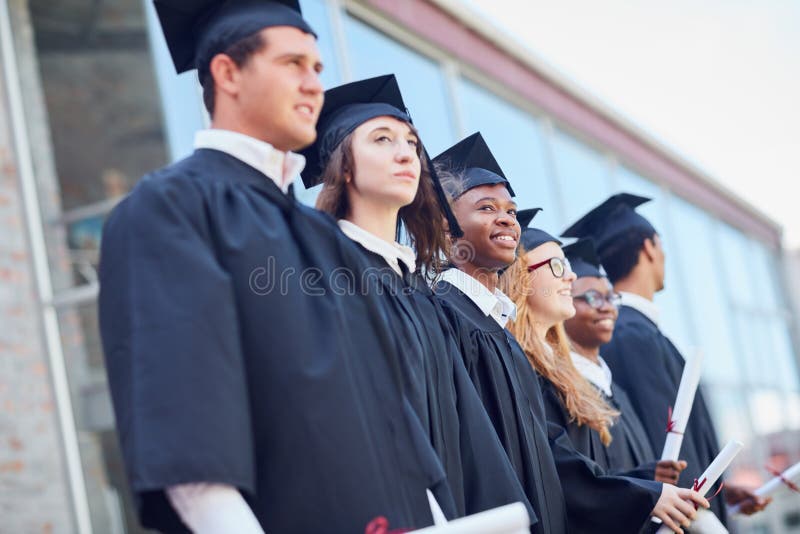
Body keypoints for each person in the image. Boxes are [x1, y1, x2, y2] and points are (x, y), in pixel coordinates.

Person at [98, 2, 457, 532]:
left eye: (317, 68)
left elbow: (393, 422)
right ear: (227, 73)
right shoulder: (172, 208)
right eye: (293, 64)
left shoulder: (324, 238)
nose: (314, 84)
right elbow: (189, 449)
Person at [431, 133, 709, 534]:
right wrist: (644, 493)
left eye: (510, 208)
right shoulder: (444, 316)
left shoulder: (504, 342)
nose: (508, 217)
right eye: (558, 268)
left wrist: (645, 481)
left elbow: (545, 455)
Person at [297, 74, 531, 521]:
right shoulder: (324, 279)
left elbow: (472, 440)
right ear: (344, 166)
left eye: (411, 142)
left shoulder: (423, 299)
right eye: (382, 139)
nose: (405, 152)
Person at [562, 193, 772, 522]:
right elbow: (667, 449)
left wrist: (721, 490)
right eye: (661, 246)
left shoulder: (637, 332)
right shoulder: (632, 335)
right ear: (649, 247)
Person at [503, 227, 685, 484]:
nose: (607, 307)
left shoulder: (600, 388)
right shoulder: (519, 372)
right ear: (520, 280)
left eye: (610, 297)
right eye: (591, 297)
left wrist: (646, 483)